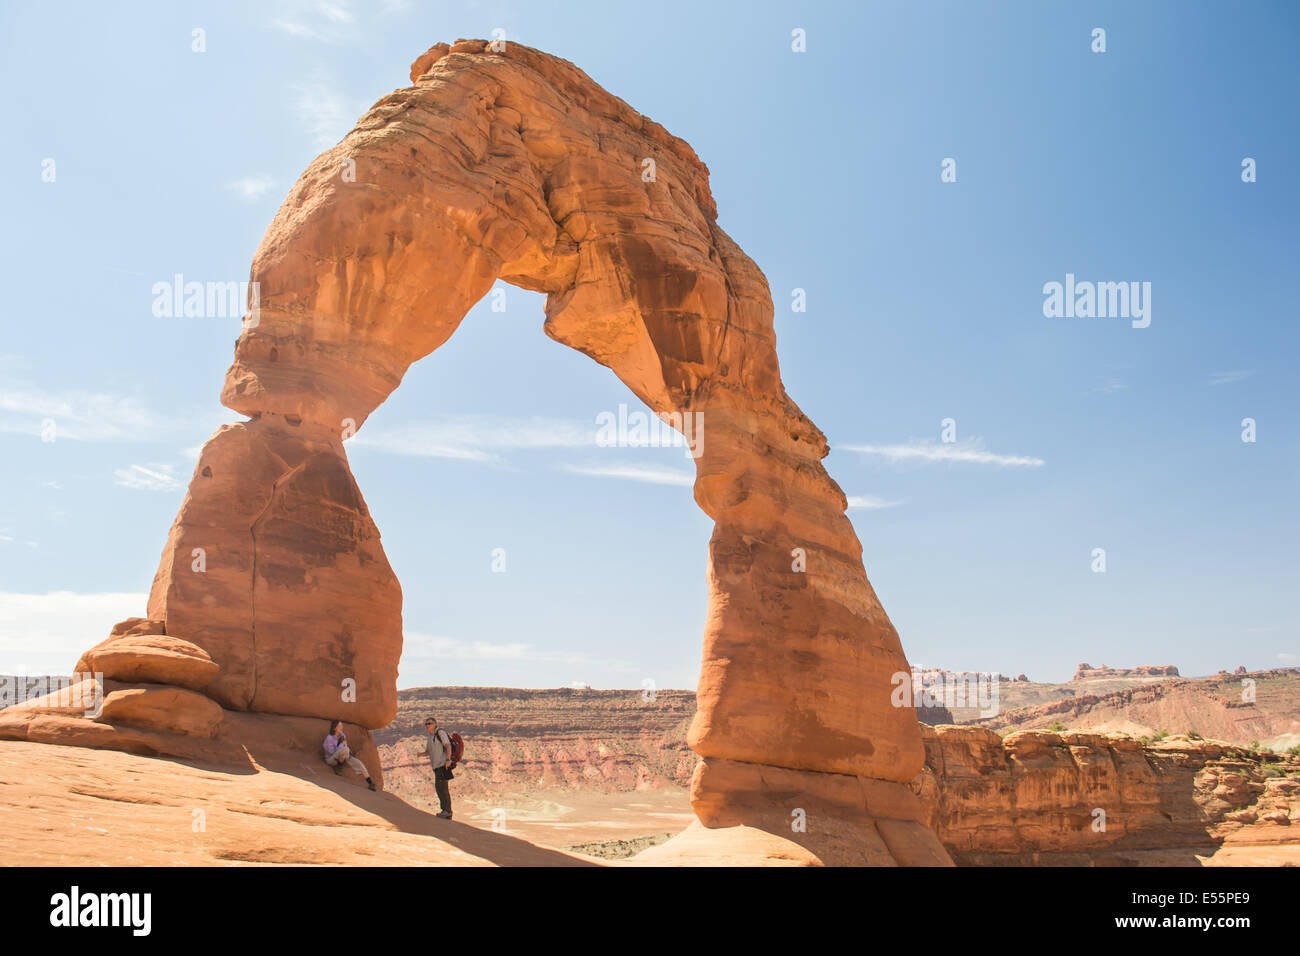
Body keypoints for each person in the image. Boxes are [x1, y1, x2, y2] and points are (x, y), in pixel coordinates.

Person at [322, 719, 377, 791]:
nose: (341, 727)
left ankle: (370, 783)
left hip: (343, 756)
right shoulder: (329, 738)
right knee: (345, 750)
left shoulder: (342, 735)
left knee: (358, 763)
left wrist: (344, 748)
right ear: (334, 728)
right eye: (339, 726)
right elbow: (331, 751)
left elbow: (344, 747)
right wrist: (341, 745)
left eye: (341, 725)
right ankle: (338, 766)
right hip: (331, 759)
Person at [420, 716, 454, 819]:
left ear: (435, 724)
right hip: (436, 766)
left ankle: (447, 811)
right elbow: (428, 752)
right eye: (426, 724)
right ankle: (445, 810)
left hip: (443, 764)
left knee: (443, 788)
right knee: (439, 788)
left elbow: (448, 746)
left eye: (429, 723)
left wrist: (448, 759)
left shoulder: (440, 733)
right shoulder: (430, 737)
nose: (427, 725)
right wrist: (420, 754)